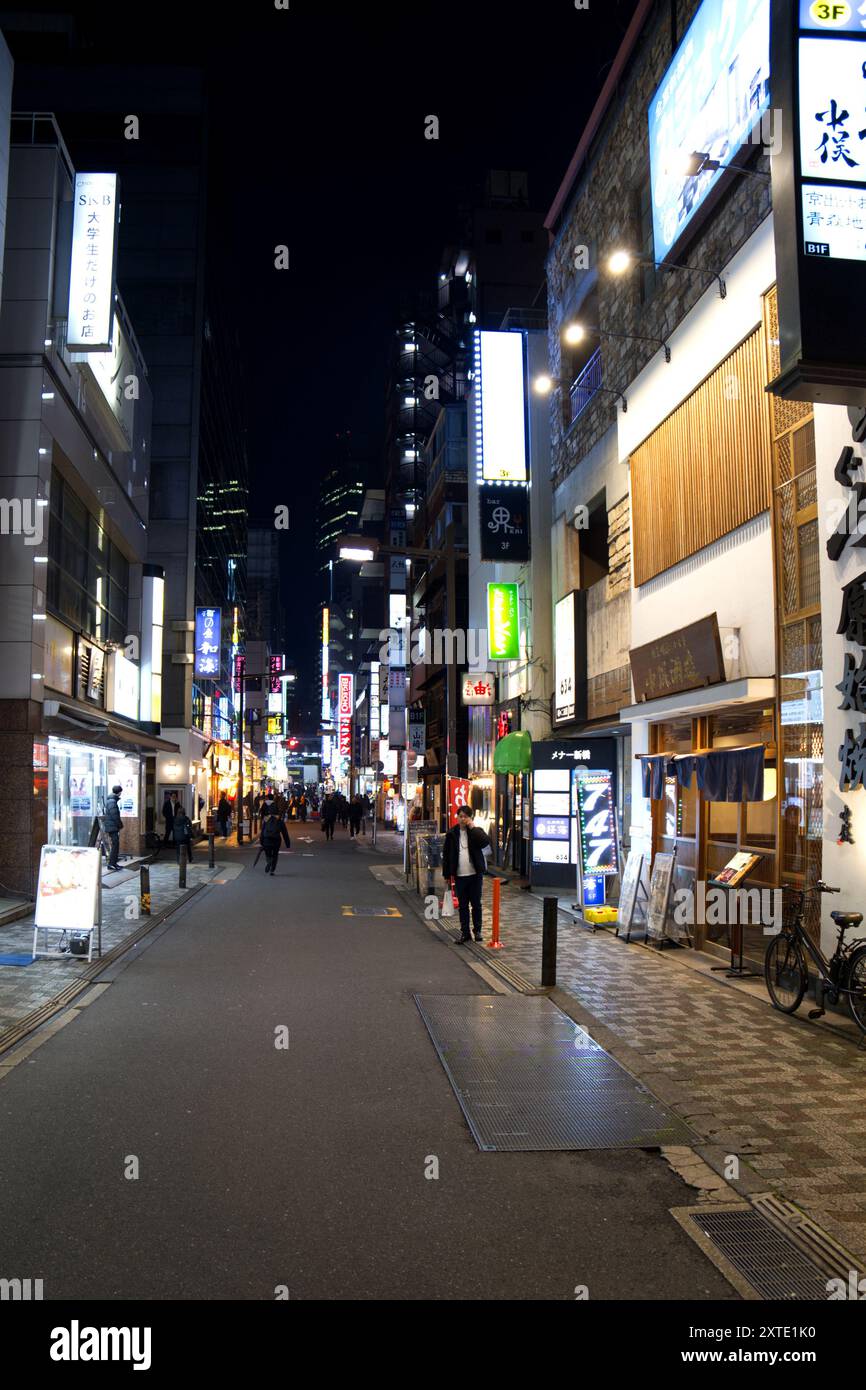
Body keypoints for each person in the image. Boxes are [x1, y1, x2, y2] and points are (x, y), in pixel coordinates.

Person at [442, 804, 491, 944]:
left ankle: (478, 931)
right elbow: (446, 855)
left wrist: (472, 827)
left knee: (476, 904)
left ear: (470, 818)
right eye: (460, 816)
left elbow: (485, 842)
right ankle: (465, 932)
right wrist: (446, 875)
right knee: (463, 905)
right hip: (459, 875)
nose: (462, 819)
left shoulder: (475, 831)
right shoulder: (452, 834)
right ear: (457, 817)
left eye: (466, 816)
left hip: (475, 874)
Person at [260, 808, 291, 875]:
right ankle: (272, 870)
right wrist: (287, 844)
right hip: (276, 841)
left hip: (267, 840)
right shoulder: (280, 821)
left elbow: (262, 831)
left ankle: (269, 862)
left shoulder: (266, 819)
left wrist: (261, 841)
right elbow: (284, 833)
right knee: (275, 855)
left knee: (268, 854)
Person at [103, 784, 124, 870]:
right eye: (121, 792)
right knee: (115, 845)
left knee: (116, 844)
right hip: (112, 827)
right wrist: (120, 825)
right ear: (119, 792)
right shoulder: (112, 801)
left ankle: (114, 863)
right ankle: (112, 864)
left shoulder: (111, 800)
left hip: (112, 826)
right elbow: (115, 815)